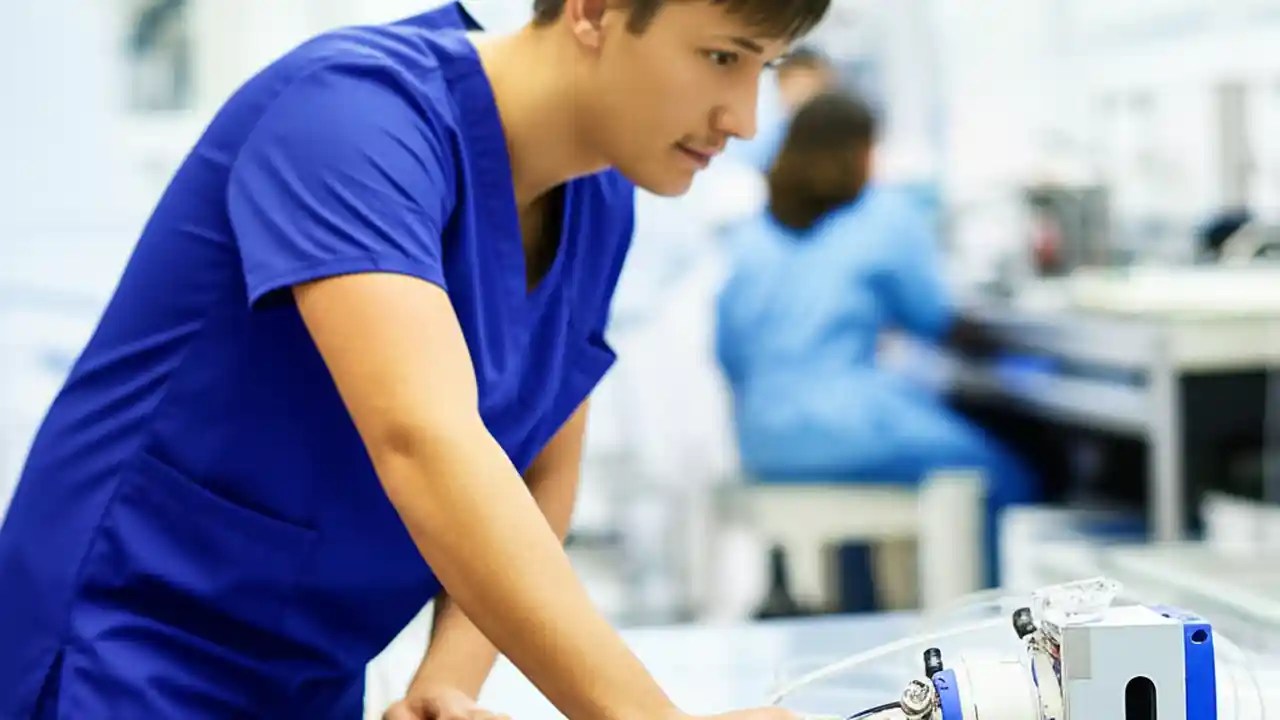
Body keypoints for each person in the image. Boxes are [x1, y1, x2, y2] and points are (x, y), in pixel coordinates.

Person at [0, 1, 830, 718]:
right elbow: (424, 439)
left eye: (766, 66)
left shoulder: (600, 196)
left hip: (311, 675)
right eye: (721, 57)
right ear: (591, 9)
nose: (745, 118)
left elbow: (535, 468)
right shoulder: (354, 118)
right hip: (122, 648)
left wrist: (447, 680)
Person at [715, 92, 1039, 590]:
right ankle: (990, 635)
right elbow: (934, 320)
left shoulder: (753, 234)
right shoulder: (882, 217)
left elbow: (728, 352)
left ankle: (860, 610)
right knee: (1005, 475)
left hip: (762, 439)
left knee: (859, 498)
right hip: (845, 425)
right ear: (863, 151)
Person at [729, 45, 836, 172]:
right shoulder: (757, 134)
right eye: (797, 87)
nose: (802, 97)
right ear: (781, 81)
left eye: (812, 88)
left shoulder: (828, 138)